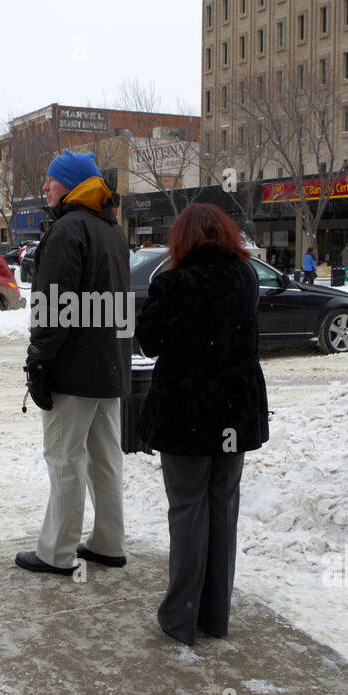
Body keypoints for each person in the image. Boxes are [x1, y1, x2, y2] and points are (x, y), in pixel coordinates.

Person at [135, 203, 270, 645]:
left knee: (188, 509)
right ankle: (215, 616)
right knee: (223, 509)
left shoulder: (173, 282)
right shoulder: (246, 277)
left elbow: (150, 343)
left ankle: (180, 618)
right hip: (235, 411)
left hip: (186, 413)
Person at [18, 151, 132, 575]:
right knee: (105, 459)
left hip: (75, 368)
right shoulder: (111, 230)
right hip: (109, 366)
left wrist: (40, 362)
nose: (45, 186)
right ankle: (108, 543)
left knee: (65, 459)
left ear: (70, 184)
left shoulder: (67, 230)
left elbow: (52, 305)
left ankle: (56, 553)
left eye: (51, 180)